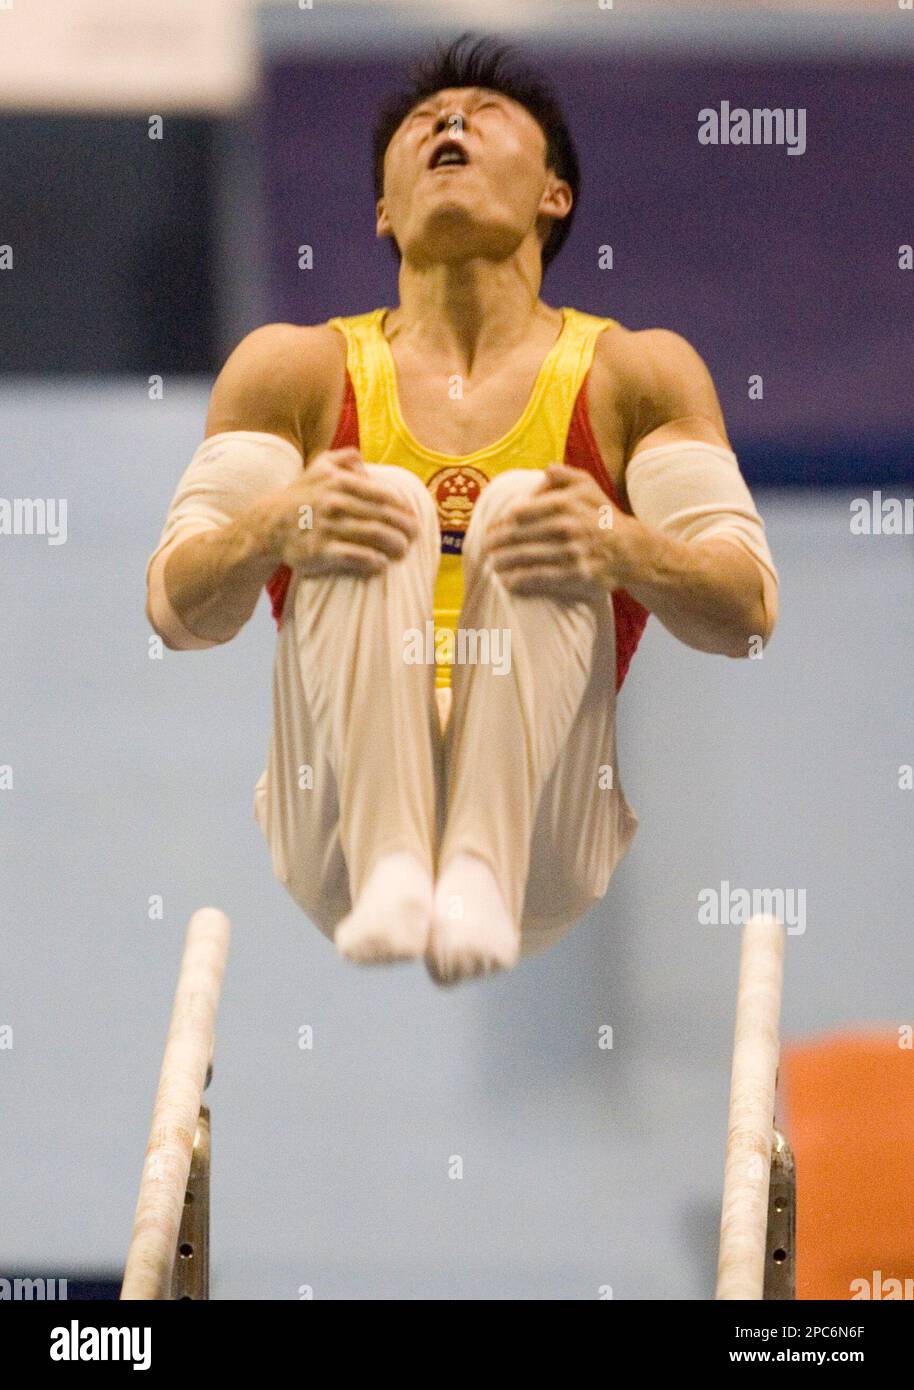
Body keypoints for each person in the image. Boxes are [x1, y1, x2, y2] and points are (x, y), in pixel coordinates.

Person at [145, 35, 778, 986]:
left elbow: (748, 614)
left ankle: (478, 863)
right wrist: (271, 529)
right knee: (376, 495)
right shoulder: (293, 369)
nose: (448, 122)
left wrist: (617, 541)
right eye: (423, 121)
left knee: (535, 506)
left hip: (544, 837)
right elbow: (175, 610)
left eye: (484, 115)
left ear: (553, 195)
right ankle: (398, 858)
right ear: (383, 213)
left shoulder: (636, 373)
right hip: (339, 832)